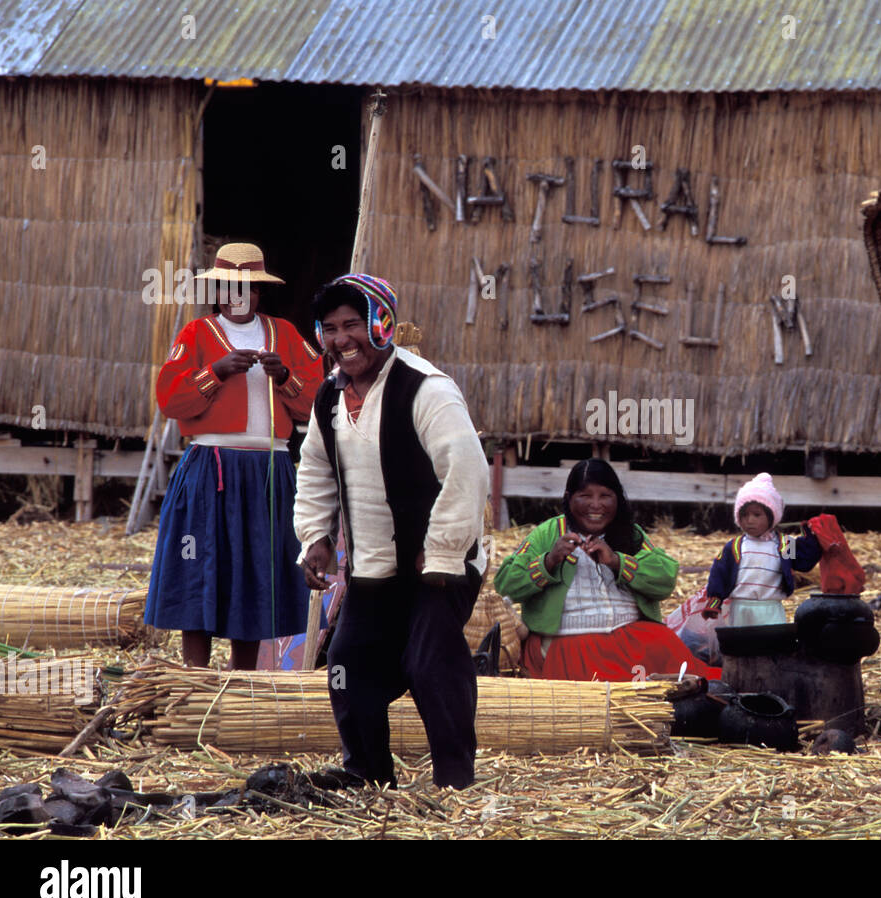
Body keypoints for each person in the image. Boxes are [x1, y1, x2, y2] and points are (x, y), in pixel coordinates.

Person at [293, 273, 488, 790]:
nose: (342, 339)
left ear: (383, 324)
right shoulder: (329, 399)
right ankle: (367, 772)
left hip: (438, 568)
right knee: (346, 664)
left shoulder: (427, 389)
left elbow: (467, 471)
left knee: (430, 664)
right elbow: (314, 469)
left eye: (353, 324)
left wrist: (442, 552)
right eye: (331, 328)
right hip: (373, 567)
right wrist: (315, 538)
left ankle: (453, 780)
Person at [145, 242, 323, 669]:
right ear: (219, 291)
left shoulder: (286, 334)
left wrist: (285, 378)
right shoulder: (196, 335)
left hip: (268, 468)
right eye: (231, 287)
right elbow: (169, 400)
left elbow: (316, 403)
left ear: (260, 294)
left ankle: (241, 683)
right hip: (212, 467)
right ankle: (195, 678)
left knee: (255, 571)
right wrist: (216, 372)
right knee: (202, 565)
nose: (239, 296)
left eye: (250, 289)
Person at [495, 459, 720, 682]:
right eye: (585, 496)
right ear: (568, 497)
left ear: (618, 499)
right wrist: (549, 560)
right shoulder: (546, 535)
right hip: (569, 641)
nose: (596, 505)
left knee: (675, 661)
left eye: (605, 496)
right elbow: (505, 585)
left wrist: (617, 562)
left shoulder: (630, 534)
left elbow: (665, 580)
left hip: (632, 637)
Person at [701, 473, 821, 626]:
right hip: (740, 608)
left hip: (770, 608)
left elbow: (803, 562)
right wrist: (714, 601)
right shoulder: (735, 546)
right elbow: (719, 573)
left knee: (772, 645)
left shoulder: (784, 544)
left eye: (757, 515)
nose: (749, 520)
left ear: (772, 517)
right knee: (742, 646)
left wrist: (812, 536)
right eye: (744, 515)